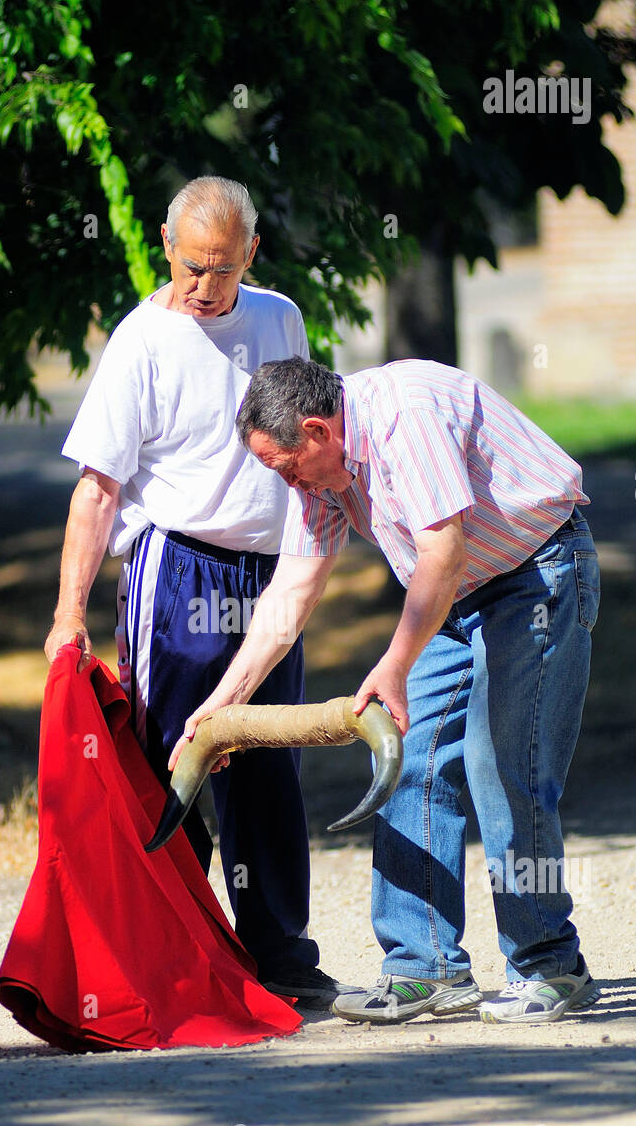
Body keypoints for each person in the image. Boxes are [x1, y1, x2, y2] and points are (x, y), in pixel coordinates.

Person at [170, 355, 603, 1025]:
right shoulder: (319, 472)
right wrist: (222, 705)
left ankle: (550, 966)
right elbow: (291, 592)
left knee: (504, 768)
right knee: (407, 760)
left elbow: (442, 552)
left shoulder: (405, 415)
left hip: (534, 577)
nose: (286, 481)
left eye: (284, 466)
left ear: (316, 431)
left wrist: (393, 665)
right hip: (454, 595)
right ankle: (424, 968)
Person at [44, 178, 353, 1004]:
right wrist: (67, 613)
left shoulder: (280, 317)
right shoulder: (140, 340)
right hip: (174, 571)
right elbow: (98, 488)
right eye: (189, 266)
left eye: (221, 269)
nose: (203, 287)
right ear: (164, 245)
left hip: (266, 573)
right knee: (169, 759)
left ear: (251, 252)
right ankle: (168, 956)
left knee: (264, 766)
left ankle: (280, 957)